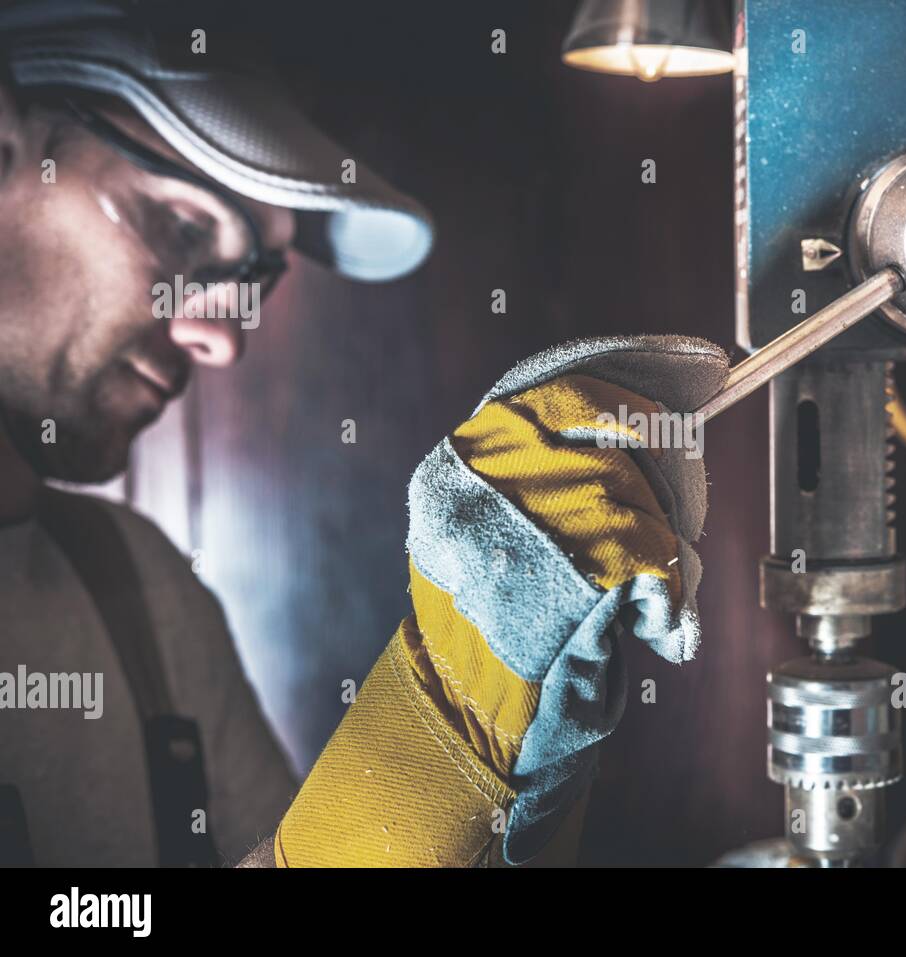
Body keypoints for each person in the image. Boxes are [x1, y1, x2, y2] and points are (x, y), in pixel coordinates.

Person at [0, 0, 725, 867]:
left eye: (254, 277)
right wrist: (444, 719)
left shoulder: (140, 589)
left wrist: (505, 791)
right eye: (183, 226)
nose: (223, 334)